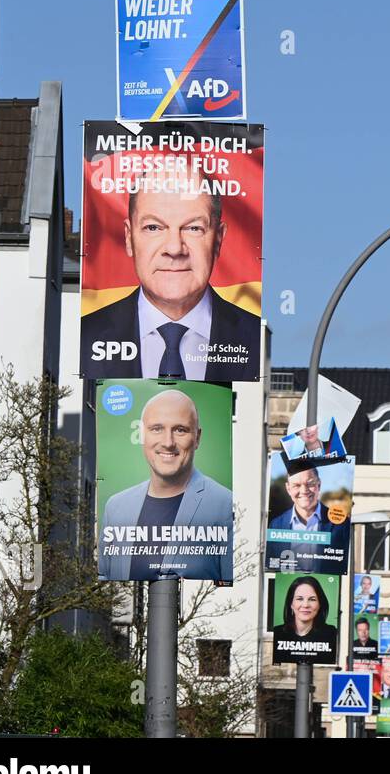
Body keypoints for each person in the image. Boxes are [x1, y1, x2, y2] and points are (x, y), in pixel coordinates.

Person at [81, 170, 258, 380]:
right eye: (153, 227)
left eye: (193, 228)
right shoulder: (86, 336)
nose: (175, 248)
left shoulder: (254, 339)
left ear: (218, 240)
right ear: (129, 238)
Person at [98, 389, 233, 581]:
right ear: (142, 434)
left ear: (197, 438)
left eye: (180, 430)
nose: (168, 442)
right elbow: (105, 579)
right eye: (157, 429)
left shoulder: (225, 505)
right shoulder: (116, 507)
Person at [266, 466, 350, 572]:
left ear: (319, 485)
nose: (304, 491)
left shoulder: (341, 524)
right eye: (296, 485)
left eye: (310, 484)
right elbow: (271, 567)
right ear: (288, 489)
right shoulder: (276, 525)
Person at [271, 576, 338, 661]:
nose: (305, 605)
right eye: (299, 599)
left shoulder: (331, 634)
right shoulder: (278, 633)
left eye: (312, 599)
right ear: (291, 604)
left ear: (320, 604)